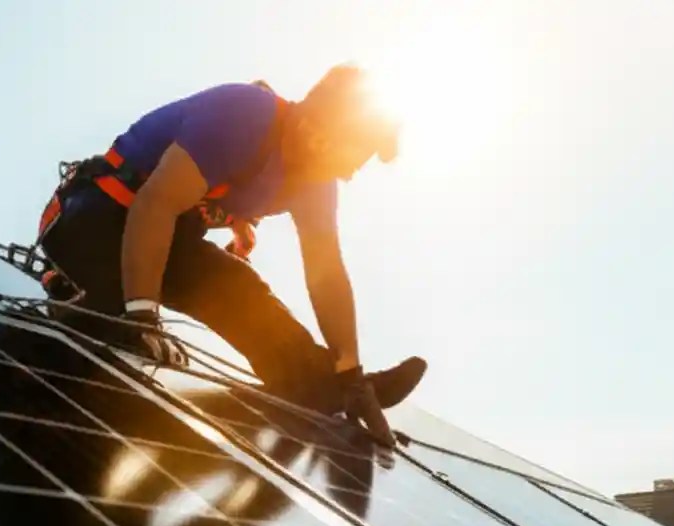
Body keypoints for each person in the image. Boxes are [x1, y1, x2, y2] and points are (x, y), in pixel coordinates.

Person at [31, 63, 426, 446]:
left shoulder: (314, 183)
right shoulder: (246, 114)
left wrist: (350, 372)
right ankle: (88, 302)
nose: (352, 174)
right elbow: (154, 203)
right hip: (93, 218)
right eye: (355, 156)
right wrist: (141, 319)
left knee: (238, 290)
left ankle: (323, 384)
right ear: (321, 129)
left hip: (163, 242)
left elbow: (327, 274)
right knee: (112, 337)